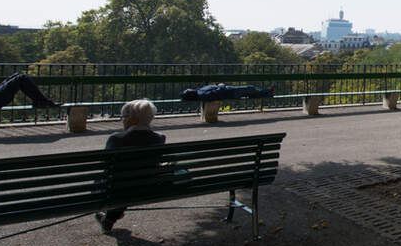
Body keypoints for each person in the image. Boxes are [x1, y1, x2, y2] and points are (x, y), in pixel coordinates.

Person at [96, 98, 166, 233]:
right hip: (147, 187)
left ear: (133, 119)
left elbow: (105, 166)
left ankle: (111, 215)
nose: (122, 120)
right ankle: (110, 217)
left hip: (117, 190)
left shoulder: (116, 139)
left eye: (123, 117)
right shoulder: (159, 138)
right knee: (129, 180)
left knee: (109, 181)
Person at [180, 84, 273, 101]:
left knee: (250, 91)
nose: (189, 88)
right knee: (250, 88)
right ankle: (267, 91)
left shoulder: (199, 92)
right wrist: (221, 85)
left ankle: (266, 93)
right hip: (230, 92)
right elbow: (217, 93)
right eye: (188, 90)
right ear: (190, 93)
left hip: (229, 90)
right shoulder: (202, 94)